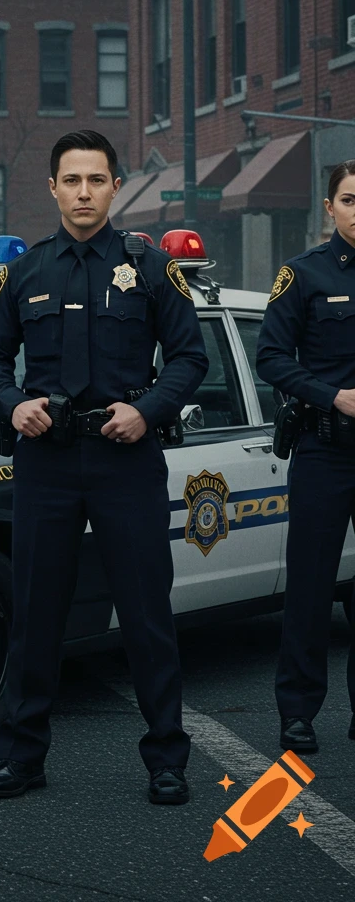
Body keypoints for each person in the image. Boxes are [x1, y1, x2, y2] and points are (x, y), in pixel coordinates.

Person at [0, 129, 208, 804]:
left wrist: (149, 410)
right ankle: (21, 757)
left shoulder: (152, 267)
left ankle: (167, 759)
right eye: (71, 181)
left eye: (96, 180)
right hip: (46, 460)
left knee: (145, 614)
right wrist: (12, 404)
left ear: (114, 187)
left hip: (125, 458)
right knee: (36, 613)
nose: (83, 192)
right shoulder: (24, 273)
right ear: (53, 188)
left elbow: (191, 357)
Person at [256, 159, 355, 754]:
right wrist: (332, 395)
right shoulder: (303, 274)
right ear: (329, 207)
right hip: (326, 449)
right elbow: (270, 356)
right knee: (312, 588)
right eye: (350, 200)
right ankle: (297, 713)